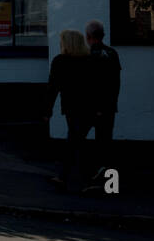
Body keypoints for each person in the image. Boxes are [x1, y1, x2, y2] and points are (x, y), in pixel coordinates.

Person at [45, 29, 97, 192]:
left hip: (71, 108)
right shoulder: (90, 60)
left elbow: (53, 88)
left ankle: (83, 180)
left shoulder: (60, 61)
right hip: (90, 108)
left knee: (75, 142)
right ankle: (71, 178)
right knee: (75, 141)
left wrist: (47, 111)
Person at [85, 19, 121, 191]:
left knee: (79, 140)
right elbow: (115, 84)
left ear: (88, 36)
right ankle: (111, 185)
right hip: (109, 106)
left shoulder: (88, 55)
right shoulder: (112, 53)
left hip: (91, 106)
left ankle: (87, 180)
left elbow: (89, 84)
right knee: (106, 143)